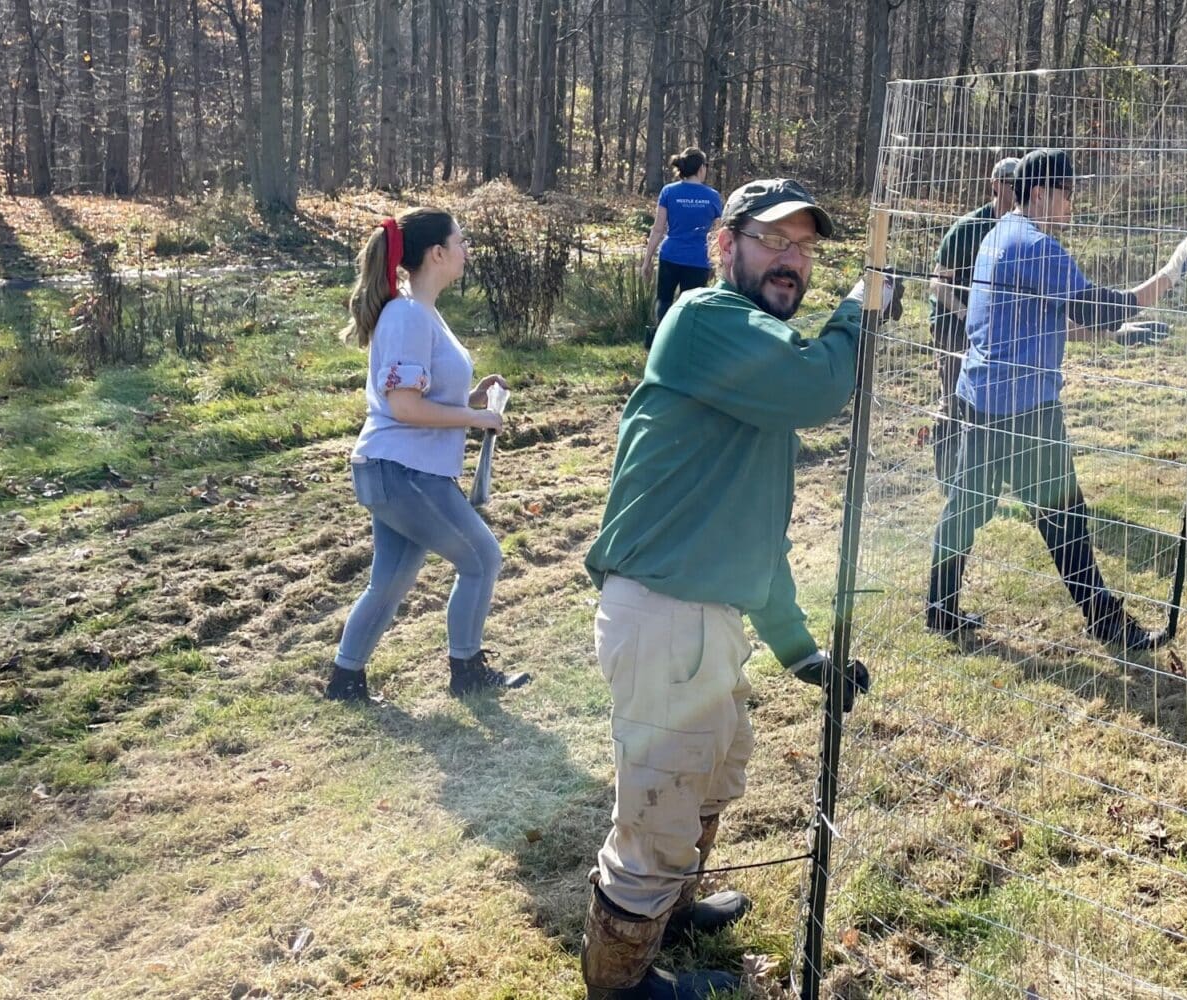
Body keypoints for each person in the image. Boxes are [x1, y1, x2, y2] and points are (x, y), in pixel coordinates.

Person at [581, 178, 880, 998]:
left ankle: (669, 911)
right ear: (726, 245)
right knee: (658, 809)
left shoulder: (753, 366)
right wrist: (857, 309)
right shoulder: (708, 321)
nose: (791, 260)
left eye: (805, 248)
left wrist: (801, 651)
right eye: (773, 242)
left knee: (710, 773)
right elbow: (822, 384)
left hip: (704, 615)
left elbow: (757, 538)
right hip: (664, 614)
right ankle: (621, 984)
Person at [926, 148, 1187, 652]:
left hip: (981, 395)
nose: (1072, 206)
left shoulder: (999, 235)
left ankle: (940, 607)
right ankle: (1108, 625)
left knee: (968, 506)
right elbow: (1100, 307)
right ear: (1039, 193)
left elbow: (1041, 320)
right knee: (1066, 519)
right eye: (1067, 194)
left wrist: (1121, 334)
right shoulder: (1036, 246)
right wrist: (1172, 271)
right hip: (1023, 407)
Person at [324, 209, 530, 704]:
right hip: (404, 471)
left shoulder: (423, 313)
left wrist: (475, 399)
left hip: (400, 470)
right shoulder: (408, 315)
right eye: (460, 242)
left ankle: (344, 682)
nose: (466, 251)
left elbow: (425, 393)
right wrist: (475, 420)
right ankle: (467, 672)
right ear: (436, 253)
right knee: (482, 557)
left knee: (390, 581)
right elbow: (405, 406)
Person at [926, 156, 1020, 489]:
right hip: (954, 324)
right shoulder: (968, 229)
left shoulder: (1020, 227)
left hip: (996, 330)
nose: (1018, 187)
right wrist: (966, 313)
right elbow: (938, 283)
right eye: (1011, 181)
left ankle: (985, 475)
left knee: (992, 400)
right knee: (953, 398)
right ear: (996, 185)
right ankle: (948, 477)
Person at [641, 148, 726, 341]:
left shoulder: (669, 191)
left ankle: (660, 341)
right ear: (700, 168)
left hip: (670, 255)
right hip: (698, 259)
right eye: (706, 165)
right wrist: (716, 261)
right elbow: (719, 234)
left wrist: (647, 261)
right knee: (691, 307)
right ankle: (683, 343)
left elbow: (657, 229)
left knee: (663, 300)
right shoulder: (712, 196)